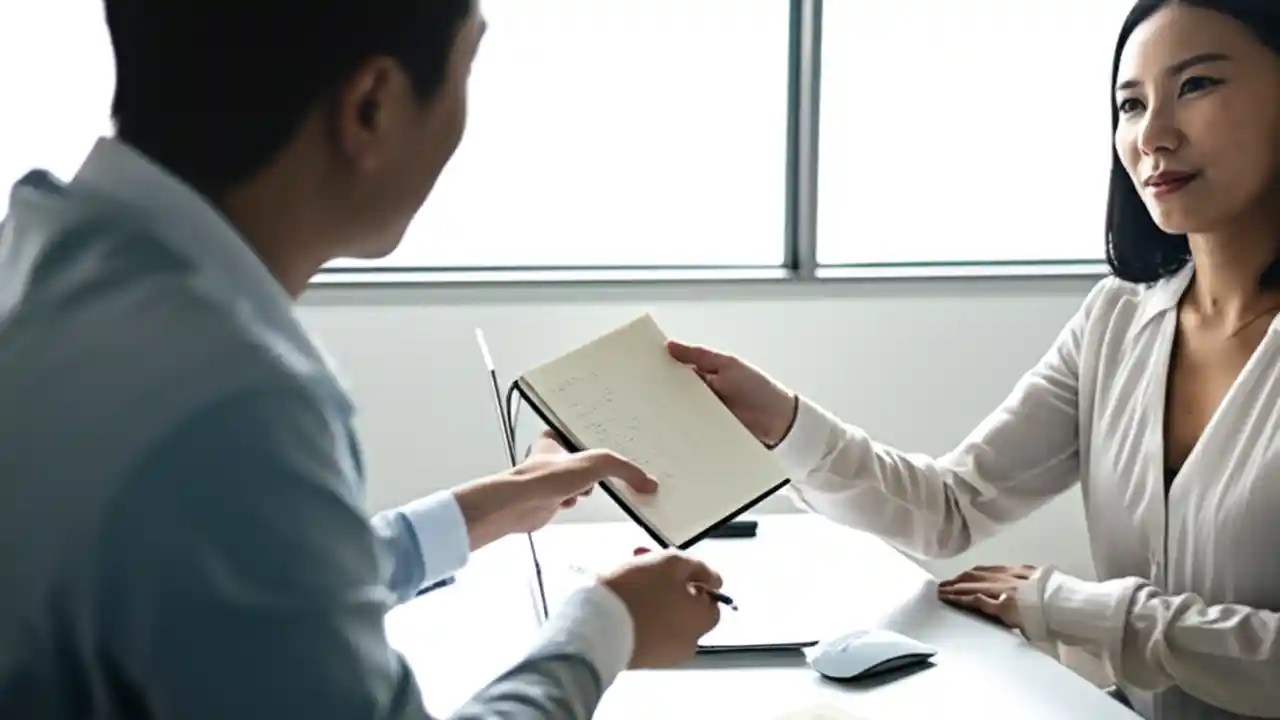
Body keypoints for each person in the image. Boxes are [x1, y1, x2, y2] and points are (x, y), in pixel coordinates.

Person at [0, 1, 723, 718]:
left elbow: (229, 581)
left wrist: (491, 507)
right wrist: (605, 626)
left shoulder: (42, 252)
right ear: (371, 106)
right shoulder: (227, 400)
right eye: (467, 66)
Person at [665, 1, 1280, 718]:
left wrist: (1077, 609)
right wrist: (783, 422)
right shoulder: (1116, 320)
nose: (1153, 135)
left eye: (1197, 85)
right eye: (1130, 104)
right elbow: (951, 505)